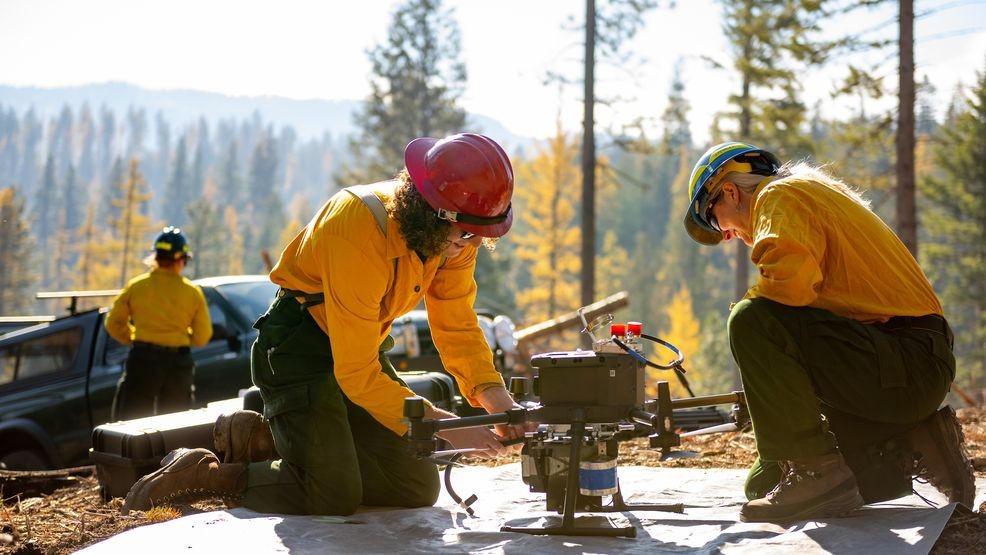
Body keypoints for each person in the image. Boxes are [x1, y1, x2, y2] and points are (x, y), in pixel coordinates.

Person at [122, 132, 526, 515]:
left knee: (414, 487)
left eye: (479, 236)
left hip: (360, 347)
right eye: (465, 235)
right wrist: (444, 426)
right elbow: (355, 373)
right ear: (432, 212)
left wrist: (498, 404)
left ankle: (266, 446)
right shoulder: (359, 226)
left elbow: (456, 323)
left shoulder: (454, 234)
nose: (471, 246)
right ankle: (204, 474)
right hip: (298, 347)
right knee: (331, 494)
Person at [682, 141, 976, 523]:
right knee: (767, 479)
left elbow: (788, 285)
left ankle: (818, 473)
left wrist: (749, 313)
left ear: (731, 192)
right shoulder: (806, 194)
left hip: (903, 359)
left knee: (750, 318)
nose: (724, 234)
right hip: (902, 364)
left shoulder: (779, 194)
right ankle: (917, 442)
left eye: (714, 218)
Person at [106, 226, 212, 421]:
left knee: (131, 422)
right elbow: (202, 336)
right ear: (181, 260)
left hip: (143, 360)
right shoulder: (192, 292)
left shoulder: (136, 287)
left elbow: (113, 323)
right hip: (178, 364)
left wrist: (133, 337)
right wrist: (180, 337)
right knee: (175, 425)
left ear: (156, 257)